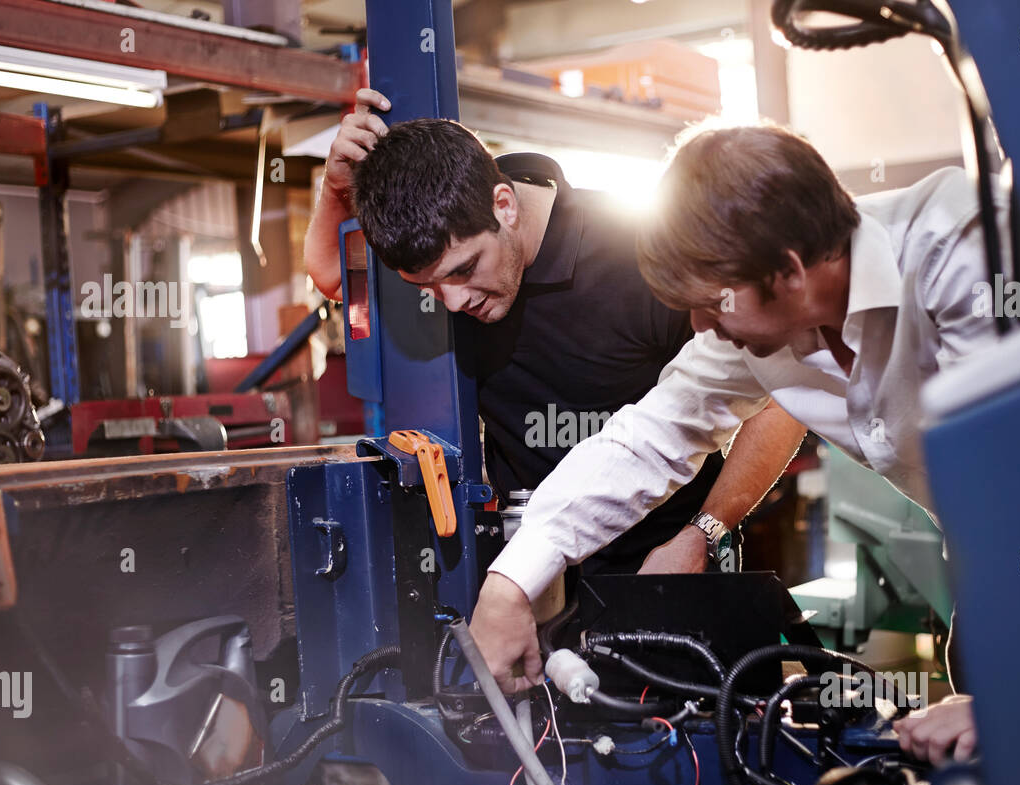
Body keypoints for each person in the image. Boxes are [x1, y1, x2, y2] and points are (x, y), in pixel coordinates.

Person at [471, 122, 1003, 763]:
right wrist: (509, 585)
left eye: (710, 303)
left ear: (790, 269)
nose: (697, 324)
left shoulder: (960, 253)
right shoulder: (757, 334)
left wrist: (1014, 701)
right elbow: (643, 442)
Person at [304, 90, 805, 588]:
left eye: (466, 270)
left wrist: (704, 532)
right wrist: (335, 189)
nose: (453, 303)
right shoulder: (442, 249)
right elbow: (332, 274)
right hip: (531, 567)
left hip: (664, 562)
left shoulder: (642, 248)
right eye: (429, 288)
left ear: (505, 205)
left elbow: (776, 399)